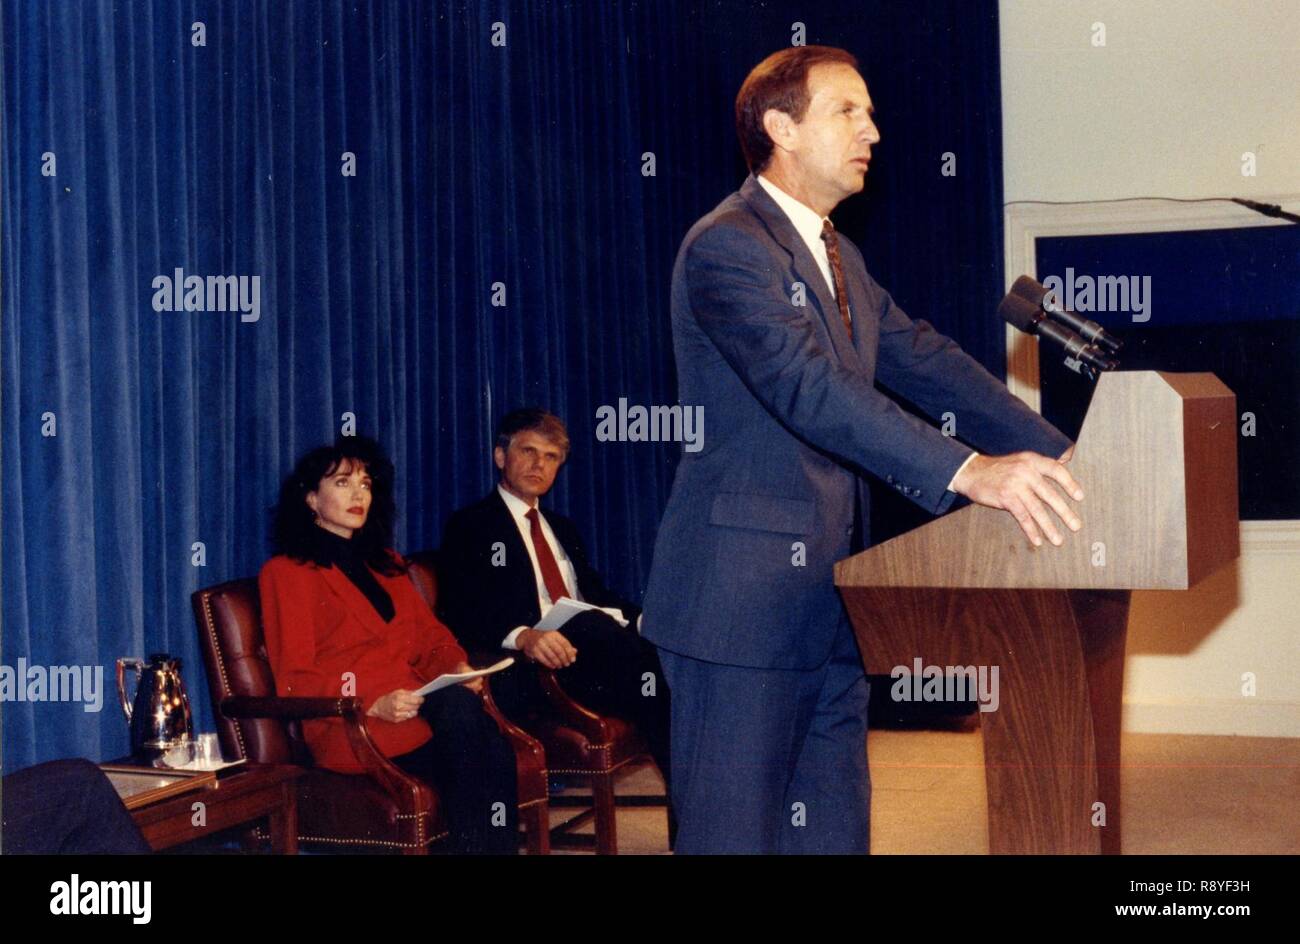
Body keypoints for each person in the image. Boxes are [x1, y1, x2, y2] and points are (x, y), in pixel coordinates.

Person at [640, 45, 1084, 854]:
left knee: (834, 837)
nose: (872, 130)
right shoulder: (726, 247)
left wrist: (1074, 455)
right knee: (731, 840)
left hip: (833, 604)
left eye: (871, 112)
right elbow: (810, 390)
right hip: (738, 610)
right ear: (781, 127)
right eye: (849, 110)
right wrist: (970, 471)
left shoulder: (841, 257)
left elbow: (930, 362)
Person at [259, 436, 518, 854]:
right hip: (354, 724)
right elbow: (294, 678)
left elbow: (429, 638)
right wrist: (371, 701)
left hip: (416, 706)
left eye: (365, 483)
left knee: (487, 740)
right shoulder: (286, 573)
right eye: (343, 483)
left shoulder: (387, 564)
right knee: (474, 741)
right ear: (310, 498)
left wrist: (460, 666)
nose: (359, 493)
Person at [437, 409, 672, 796]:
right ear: (500, 456)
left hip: (594, 658)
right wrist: (524, 636)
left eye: (550, 457)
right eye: (528, 451)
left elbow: (595, 596)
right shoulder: (471, 525)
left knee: (664, 662)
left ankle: (694, 819)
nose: (538, 465)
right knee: (614, 641)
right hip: (535, 668)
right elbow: (461, 610)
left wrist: (648, 622)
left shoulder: (562, 527)